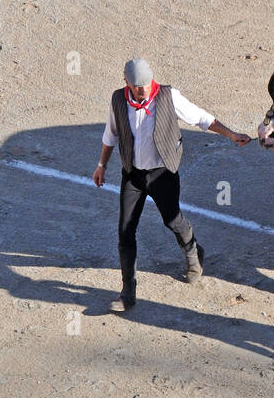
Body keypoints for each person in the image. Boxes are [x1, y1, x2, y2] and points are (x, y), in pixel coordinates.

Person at [93, 58, 252, 310]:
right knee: (125, 231)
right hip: (132, 174)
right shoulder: (117, 100)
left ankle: (192, 251)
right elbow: (110, 135)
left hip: (162, 173)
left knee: (172, 220)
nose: (143, 89)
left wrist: (231, 134)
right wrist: (101, 165)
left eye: (146, 84)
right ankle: (127, 292)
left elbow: (201, 118)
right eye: (137, 86)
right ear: (126, 83)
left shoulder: (168, 96)